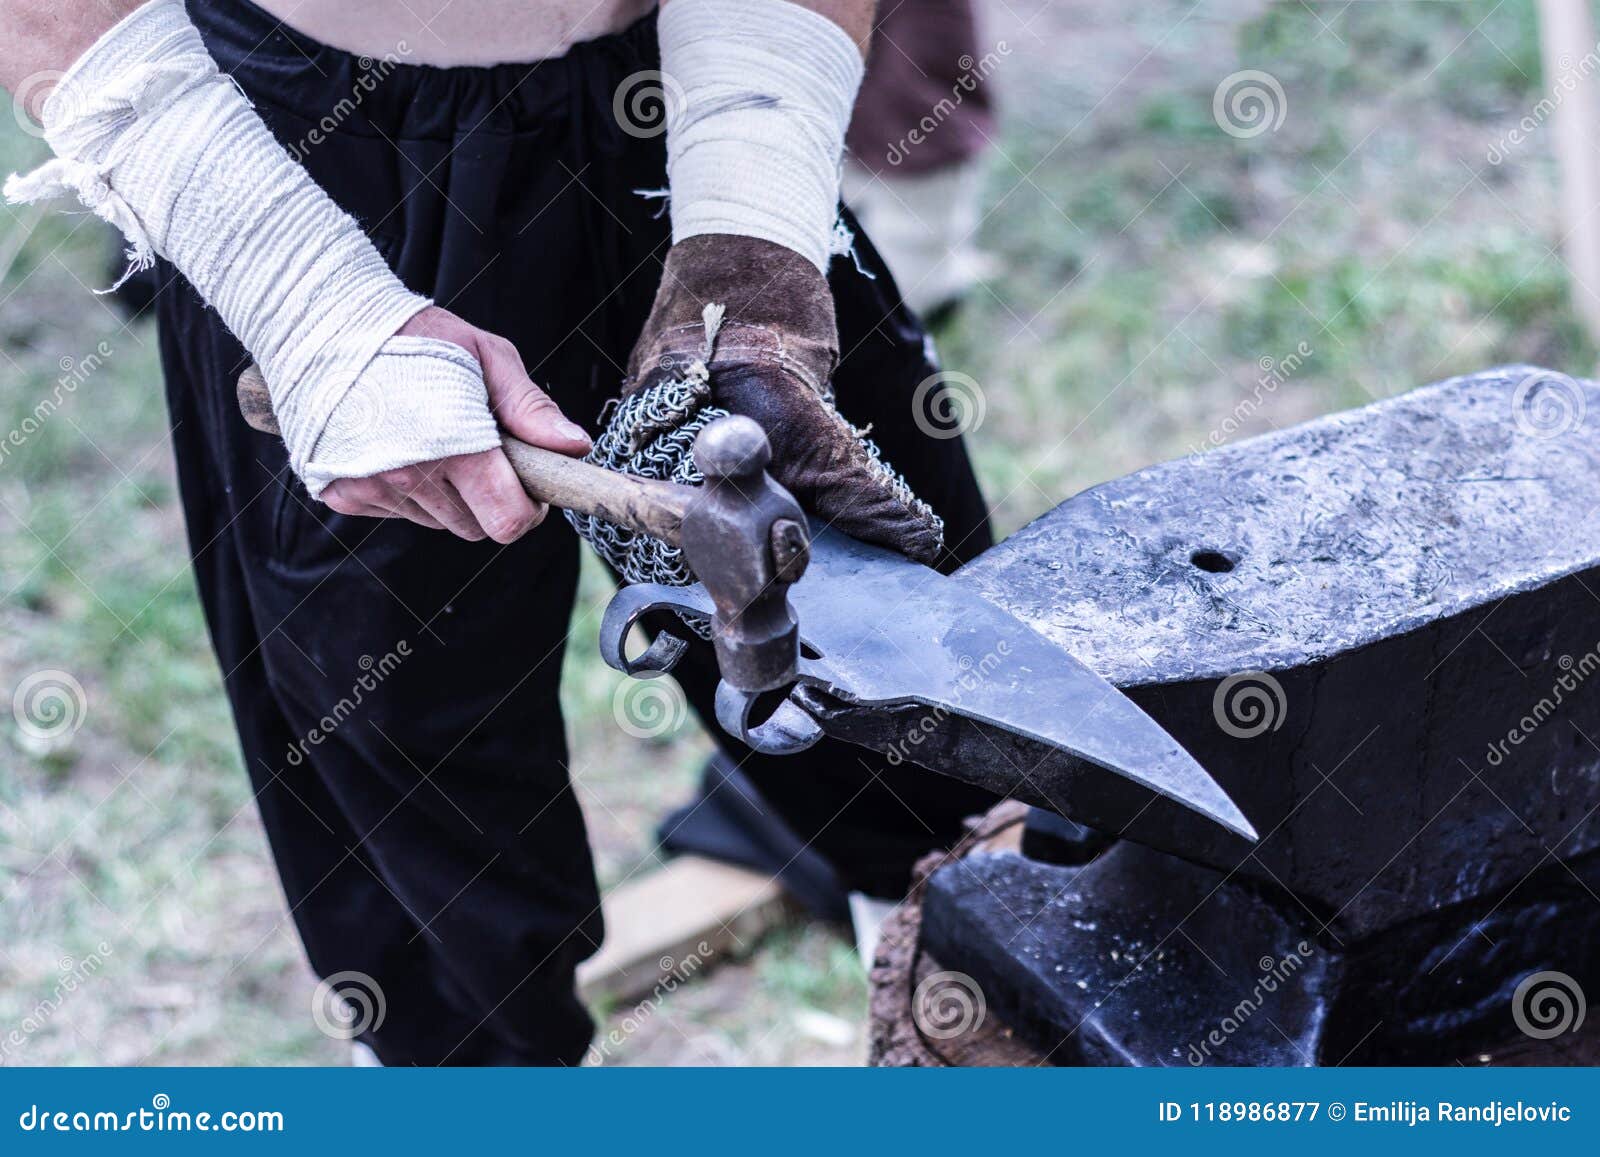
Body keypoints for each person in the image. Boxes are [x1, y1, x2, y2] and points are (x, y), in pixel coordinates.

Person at [1, 0, 995, 1065]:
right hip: (295, 175)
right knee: (435, 873)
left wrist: (751, 254)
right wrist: (309, 311)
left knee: (943, 752)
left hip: (710, 94)